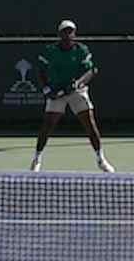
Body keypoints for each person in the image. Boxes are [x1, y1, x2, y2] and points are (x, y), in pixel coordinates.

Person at [27, 19, 111, 174]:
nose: (68, 34)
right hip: (56, 90)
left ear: (74, 33)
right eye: (65, 31)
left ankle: (101, 159)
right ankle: (37, 158)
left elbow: (92, 70)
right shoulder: (49, 51)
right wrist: (46, 89)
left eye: (70, 31)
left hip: (77, 91)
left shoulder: (82, 49)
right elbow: (40, 70)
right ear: (60, 34)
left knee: (90, 125)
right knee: (47, 126)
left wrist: (78, 83)